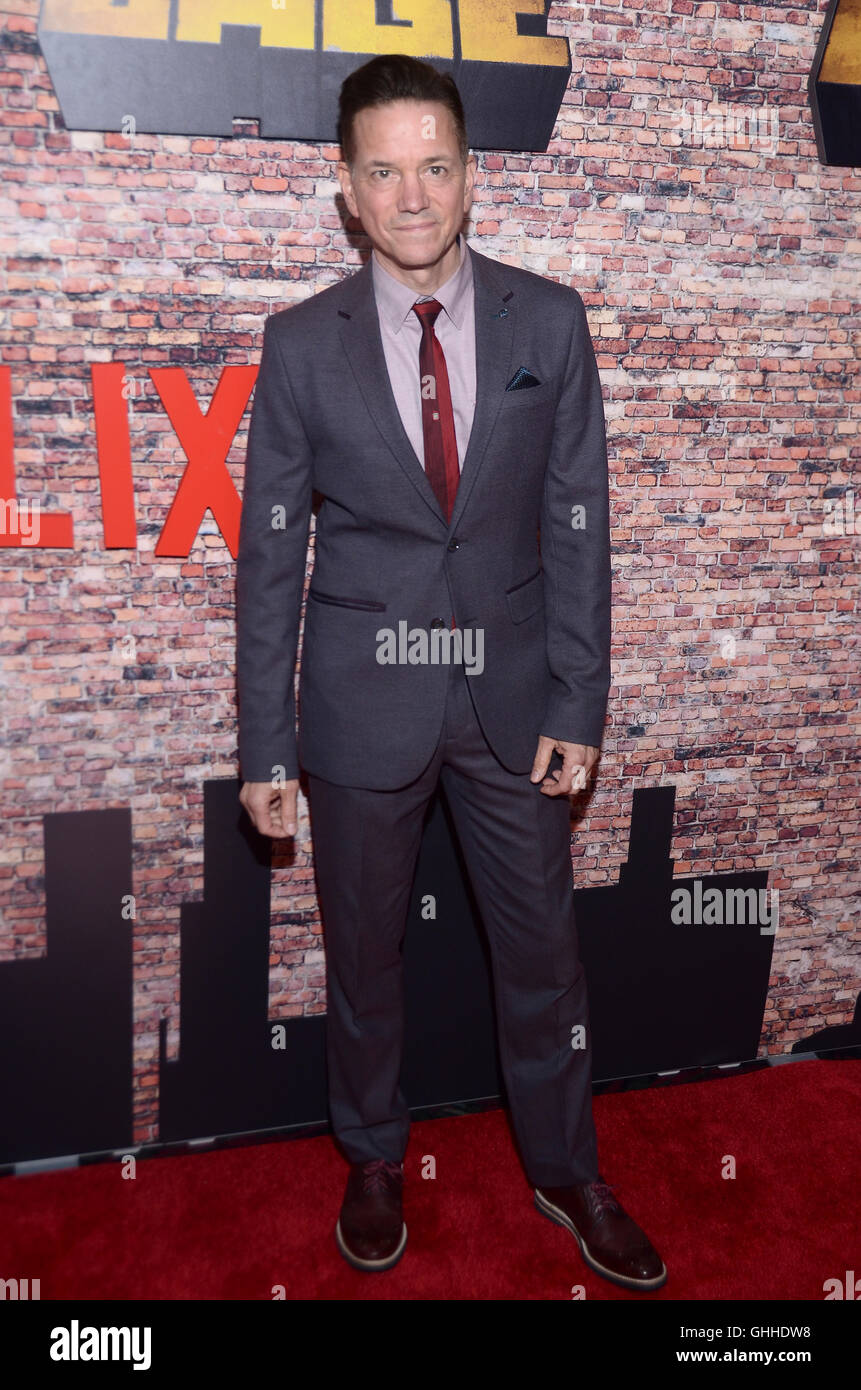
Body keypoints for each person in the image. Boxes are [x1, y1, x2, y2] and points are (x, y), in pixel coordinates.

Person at [236, 53, 666, 1293]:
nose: (412, 194)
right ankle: (373, 1158)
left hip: (516, 701)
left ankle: (567, 1168)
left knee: (545, 957)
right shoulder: (298, 345)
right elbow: (271, 559)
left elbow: (580, 524)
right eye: (384, 170)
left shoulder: (552, 319)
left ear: (472, 174)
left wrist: (580, 703)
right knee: (364, 955)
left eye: (435, 165)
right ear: (348, 192)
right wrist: (266, 744)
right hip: (362, 702)